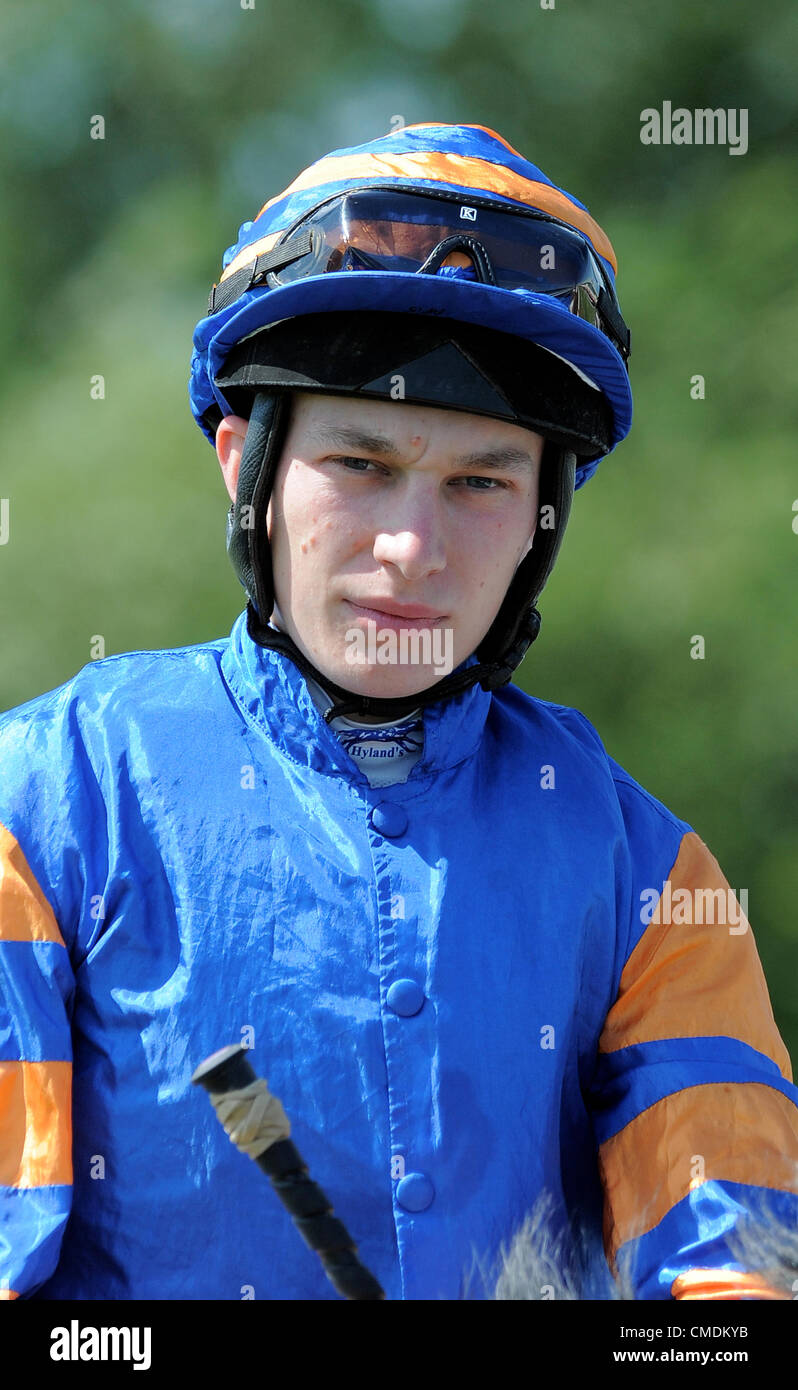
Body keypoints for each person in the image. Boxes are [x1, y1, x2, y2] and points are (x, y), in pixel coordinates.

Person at [1, 122, 796, 1303]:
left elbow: (730, 1298)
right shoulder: (41, 800)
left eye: (481, 482)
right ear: (245, 466)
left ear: (540, 519)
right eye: (362, 462)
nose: (412, 548)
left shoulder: (656, 877)